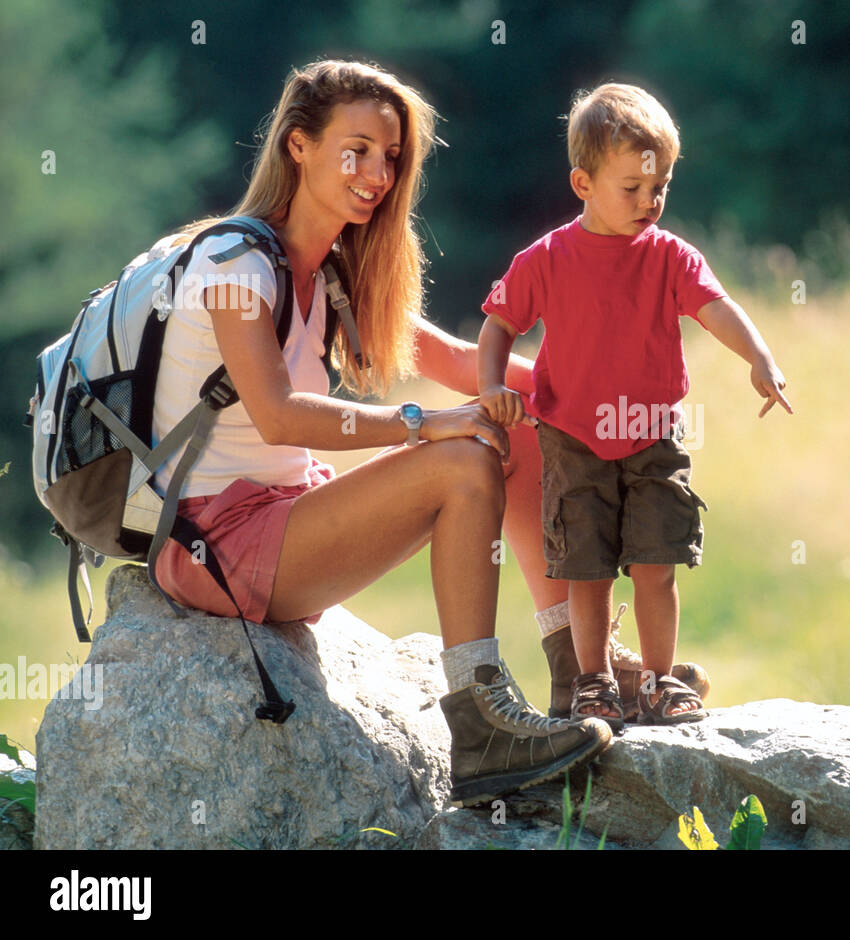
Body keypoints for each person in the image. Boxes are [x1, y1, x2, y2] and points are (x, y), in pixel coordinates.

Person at [149, 59, 609, 807]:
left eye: (391, 157)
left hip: (282, 518)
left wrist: (578, 398)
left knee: (509, 425)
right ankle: (482, 727)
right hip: (217, 544)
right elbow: (279, 414)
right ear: (298, 146)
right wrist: (421, 425)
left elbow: (461, 362)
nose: (376, 173)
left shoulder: (325, 273)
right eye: (355, 149)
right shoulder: (236, 264)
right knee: (463, 460)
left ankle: (581, 669)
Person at [477, 83, 793, 729]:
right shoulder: (546, 258)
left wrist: (759, 358)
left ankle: (659, 681)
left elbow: (716, 307)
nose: (649, 201)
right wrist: (492, 386)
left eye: (661, 187)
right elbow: (498, 324)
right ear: (583, 183)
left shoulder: (671, 255)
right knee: (587, 572)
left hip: (653, 437)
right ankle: (593, 683)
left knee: (657, 565)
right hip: (572, 439)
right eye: (633, 188)